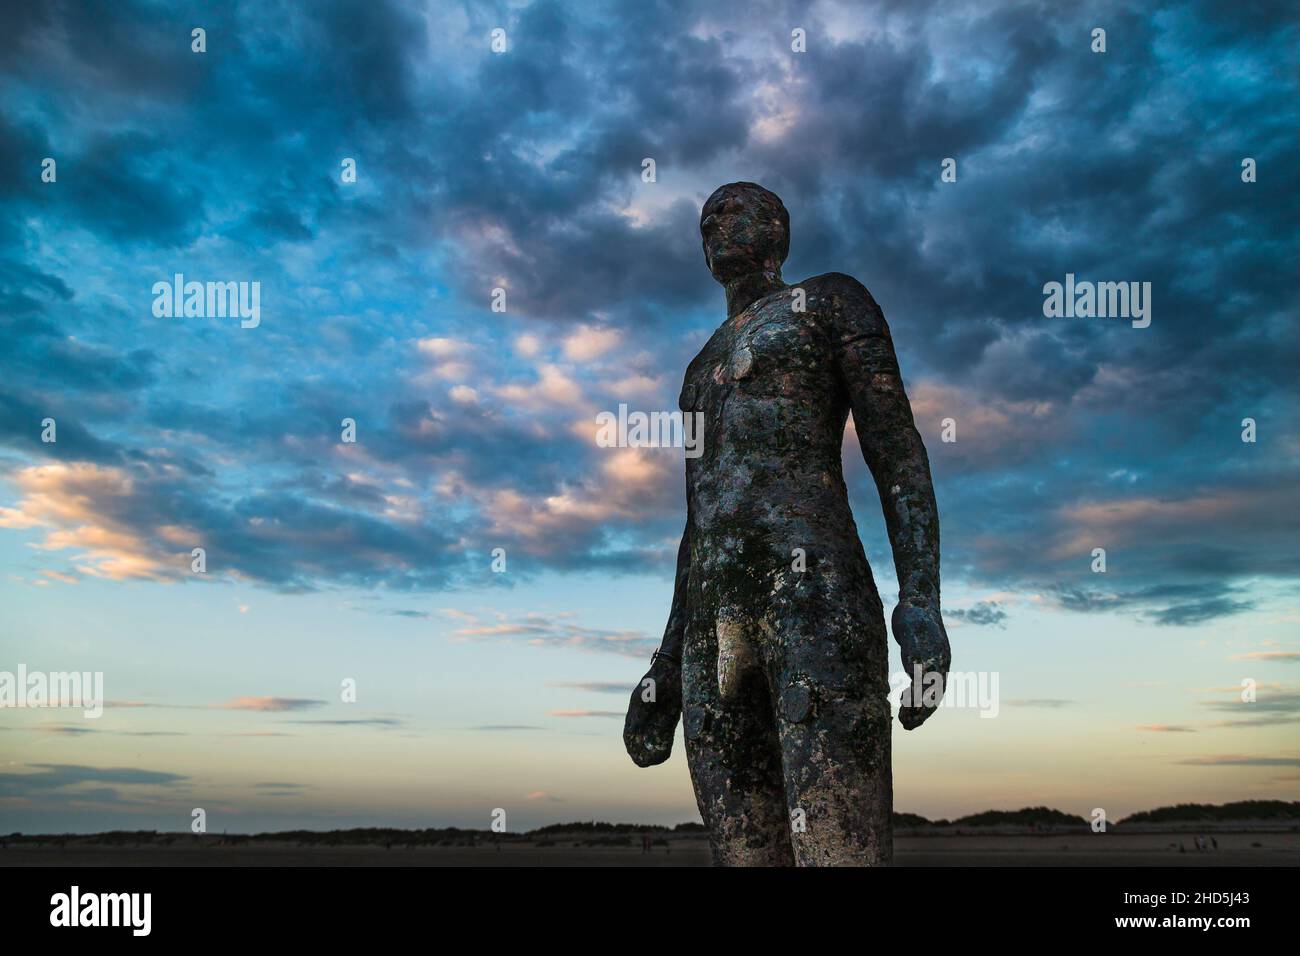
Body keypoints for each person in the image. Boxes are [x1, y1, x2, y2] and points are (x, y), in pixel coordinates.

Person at [623, 183, 950, 866]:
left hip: (814, 594)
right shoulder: (699, 368)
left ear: (778, 229)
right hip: (714, 622)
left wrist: (919, 598)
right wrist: (666, 665)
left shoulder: (830, 302)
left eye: (734, 207)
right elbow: (700, 515)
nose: (713, 219)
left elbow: (895, 448)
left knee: (837, 845)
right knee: (743, 853)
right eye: (705, 215)